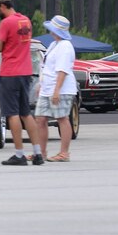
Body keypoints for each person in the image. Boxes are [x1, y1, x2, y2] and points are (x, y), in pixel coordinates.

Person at [0, 0, 42, 165]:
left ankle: (19, 154)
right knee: (26, 113)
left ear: (2, 6)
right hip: (26, 72)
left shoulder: (6, 23)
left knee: (12, 114)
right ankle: (38, 153)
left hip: (10, 72)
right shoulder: (25, 20)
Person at [36, 15, 78, 162]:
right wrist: (41, 84)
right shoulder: (54, 45)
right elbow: (47, 66)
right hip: (47, 88)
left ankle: (64, 153)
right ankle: (41, 152)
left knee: (62, 118)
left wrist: (56, 90)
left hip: (61, 89)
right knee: (40, 118)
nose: (50, 32)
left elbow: (62, 70)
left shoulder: (65, 46)